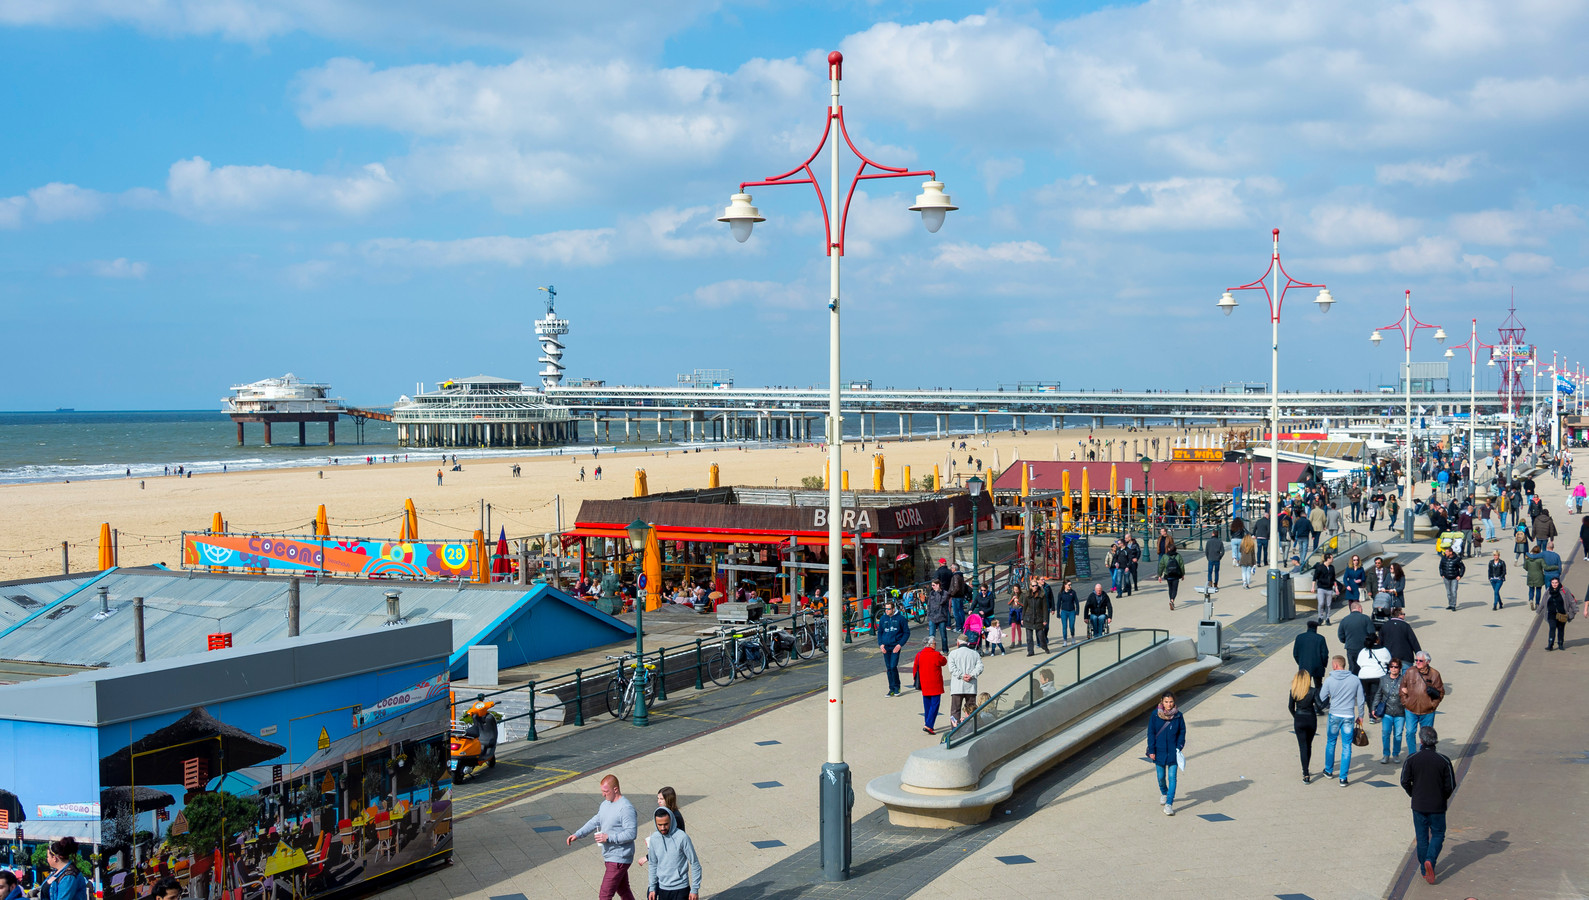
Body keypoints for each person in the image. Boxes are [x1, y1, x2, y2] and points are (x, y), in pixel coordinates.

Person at [568, 774, 640, 900]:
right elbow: (596, 821)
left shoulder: (626, 808)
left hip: (619, 857)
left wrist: (609, 838)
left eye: (606, 791)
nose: (603, 794)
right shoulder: (605, 804)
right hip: (609, 855)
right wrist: (577, 834)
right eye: (602, 791)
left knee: (605, 895)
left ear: (615, 789)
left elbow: (631, 833)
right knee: (623, 890)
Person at [1401, 726, 1457, 885]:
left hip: (1418, 805)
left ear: (1421, 740)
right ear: (1435, 742)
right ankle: (1430, 861)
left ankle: (1425, 870)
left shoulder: (1412, 759)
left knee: (1422, 836)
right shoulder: (1444, 760)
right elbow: (1451, 785)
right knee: (1438, 834)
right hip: (1437, 806)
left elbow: (1404, 781)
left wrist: (1413, 793)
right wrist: (1442, 797)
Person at [1318, 656, 1365, 786]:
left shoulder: (1329, 680)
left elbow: (1321, 697)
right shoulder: (1355, 680)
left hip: (1334, 714)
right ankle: (1343, 778)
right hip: (1348, 715)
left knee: (1331, 741)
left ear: (1335, 665)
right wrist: (1361, 715)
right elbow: (1361, 700)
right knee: (1347, 745)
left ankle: (1328, 770)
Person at [645, 806, 702, 900]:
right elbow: (653, 864)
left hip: (681, 888)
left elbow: (695, 863)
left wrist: (695, 889)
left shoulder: (682, 837)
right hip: (662, 888)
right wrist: (652, 887)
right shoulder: (654, 839)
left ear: (671, 820)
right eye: (659, 825)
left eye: (666, 824)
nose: (663, 828)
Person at [1146, 692, 1186, 815]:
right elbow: (1151, 733)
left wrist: (1179, 746)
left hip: (1173, 752)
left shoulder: (1178, 716)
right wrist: (1152, 750)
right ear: (1162, 702)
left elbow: (1182, 732)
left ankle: (1169, 804)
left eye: (1171, 702)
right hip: (1159, 751)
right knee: (1161, 777)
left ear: (1174, 702)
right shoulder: (1155, 715)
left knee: (1172, 777)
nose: (1169, 704)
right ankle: (1164, 792)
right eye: (1166, 702)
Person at [1287, 668, 1322, 783]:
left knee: (1302, 747)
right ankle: (1307, 767)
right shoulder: (1313, 691)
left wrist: (1296, 716)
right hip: (1311, 719)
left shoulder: (1294, 691)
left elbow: (1290, 707)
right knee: (1309, 745)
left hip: (1299, 719)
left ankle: (1305, 773)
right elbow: (1320, 705)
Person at [1399, 651, 1445, 737]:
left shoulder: (1435, 674)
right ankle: (1412, 751)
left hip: (1428, 711)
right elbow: (1402, 688)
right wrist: (1406, 702)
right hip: (1411, 709)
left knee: (1426, 735)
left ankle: (1424, 750)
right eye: (1416, 660)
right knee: (1410, 732)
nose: (1418, 662)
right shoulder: (1410, 671)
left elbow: (1441, 692)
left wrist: (1432, 704)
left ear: (1428, 662)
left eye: (1421, 661)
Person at [874, 598, 910, 696]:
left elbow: (906, 633)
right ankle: (891, 689)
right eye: (885, 609)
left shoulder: (901, 619)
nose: (886, 611)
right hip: (886, 646)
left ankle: (897, 687)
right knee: (889, 668)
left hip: (895, 646)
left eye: (889, 609)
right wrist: (880, 644)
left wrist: (899, 645)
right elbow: (880, 632)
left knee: (893, 666)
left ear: (893, 609)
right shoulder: (883, 618)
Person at [946, 636, 982, 726]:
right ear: (967, 643)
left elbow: (952, 669)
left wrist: (962, 676)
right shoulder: (975, 654)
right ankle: (971, 728)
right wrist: (971, 675)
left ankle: (955, 731)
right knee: (971, 710)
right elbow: (980, 667)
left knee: (955, 710)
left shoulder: (953, 654)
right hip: (971, 687)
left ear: (958, 643)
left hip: (957, 687)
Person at [912, 641, 948, 733]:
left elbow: (915, 667)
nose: (935, 645)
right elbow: (944, 662)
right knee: (935, 705)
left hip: (924, 683)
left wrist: (915, 679)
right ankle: (928, 725)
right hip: (935, 683)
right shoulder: (936, 654)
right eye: (934, 643)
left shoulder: (919, 654)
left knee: (927, 705)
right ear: (930, 644)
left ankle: (927, 722)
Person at [1356, 632, 1391, 720]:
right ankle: (1374, 713)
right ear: (1377, 640)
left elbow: (1359, 663)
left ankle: (1371, 712)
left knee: (1368, 695)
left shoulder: (1363, 651)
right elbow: (1389, 661)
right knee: (1376, 695)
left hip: (1364, 676)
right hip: (1378, 675)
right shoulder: (1383, 650)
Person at [1379, 657, 1408, 763]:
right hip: (1387, 711)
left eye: (1396, 667)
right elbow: (1378, 694)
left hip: (1400, 712)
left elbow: (1410, 695)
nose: (1394, 669)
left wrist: (1407, 692)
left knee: (1398, 734)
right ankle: (1386, 754)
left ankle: (1396, 754)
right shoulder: (1383, 679)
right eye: (1392, 666)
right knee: (1385, 733)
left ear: (1399, 668)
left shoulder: (1404, 679)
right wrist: (1373, 708)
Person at [1337, 601, 1375, 676]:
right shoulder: (1365, 618)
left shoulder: (1344, 620)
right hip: (1364, 648)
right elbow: (1371, 633)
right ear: (1359, 608)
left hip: (1351, 647)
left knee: (1352, 668)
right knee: (1364, 667)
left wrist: (1346, 641)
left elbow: (1340, 635)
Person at [1292, 619, 1329, 689]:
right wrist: (1323, 664)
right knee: (1318, 686)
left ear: (1307, 627)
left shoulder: (1299, 637)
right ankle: (1318, 699)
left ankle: (1306, 699)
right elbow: (1324, 654)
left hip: (1304, 666)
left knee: (1304, 686)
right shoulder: (1321, 638)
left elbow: (1295, 654)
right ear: (1316, 628)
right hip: (1318, 666)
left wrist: (1300, 662)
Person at [1545, 575, 1572, 651]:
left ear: (1559, 583)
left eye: (1556, 583)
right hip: (1551, 614)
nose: (1554, 584)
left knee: (1561, 629)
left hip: (1562, 614)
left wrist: (1573, 610)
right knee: (1552, 628)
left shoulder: (1564, 590)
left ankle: (1560, 644)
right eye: (1553, 583)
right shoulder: (1548, 591)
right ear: (1550, 583)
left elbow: (1571, 600)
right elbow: (1544, 601)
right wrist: (1539, 609)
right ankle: (1550, 644)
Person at [1024, 578, 1050, 655]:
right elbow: (1024, 607)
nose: (1035, 587)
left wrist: (1045, 619)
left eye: (1036, 585)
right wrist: (1022, 618)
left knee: (1041, 636)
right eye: (1033, 586)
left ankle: (1044, 647)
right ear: (1030, 587)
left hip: (1038, 618)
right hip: (1028, 618)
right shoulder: (1027, 595)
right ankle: (1030, 651)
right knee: (1029, 638)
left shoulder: (1042, 595)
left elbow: (1045, 608)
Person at [1312, 552, 1338, 625]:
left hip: (1329, 588)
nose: (1333, 559)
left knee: (1328, 604)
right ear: (1328, 559)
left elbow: (1333, 578)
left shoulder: (1332, 568)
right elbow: (1315, 578)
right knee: (1321, 603)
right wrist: (1313, 587)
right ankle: (1320, 616)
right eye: (1331, 558)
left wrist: (1336, 588)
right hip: (1321, 588)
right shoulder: (1320, 567)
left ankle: (1327, 618)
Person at [1158, 542, 1186, 610]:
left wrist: (1159, 575)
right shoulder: (1178, 556)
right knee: (1175, 589)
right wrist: (1182, 574)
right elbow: (1181, 565)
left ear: (1168, 549)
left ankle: (1171, 599)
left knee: (1170, 588)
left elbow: (1161, 565)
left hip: (1168, 575)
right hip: (1176, 575)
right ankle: (1172, 600)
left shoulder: (1165, 556)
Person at [925, 580, 950, 651]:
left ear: (938, 585)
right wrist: (928, 616)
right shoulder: (931, 593)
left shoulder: (944, 593)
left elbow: (940, 602)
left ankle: (945, 650)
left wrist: (937, 592)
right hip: (932, 617)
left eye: (933, 585)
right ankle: (931, 651)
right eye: (932, 585)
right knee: (931, 636)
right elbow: (929, 605)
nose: (932, 587)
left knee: (943, 636)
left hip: (941, 616)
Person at [1055, 580, 1080, 645]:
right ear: (1065, 585)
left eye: (1071, 585)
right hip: (1064, 612)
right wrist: (1058, 613)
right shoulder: (1061, 593)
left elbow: (1076, 602)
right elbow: (1058, 604)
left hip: (1072, 611)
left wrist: (1077, 611)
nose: (1070, 586)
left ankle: (1073, 636)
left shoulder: (1073, 592)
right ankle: (1065, 640)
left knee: (1071, 626)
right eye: (1069, 585)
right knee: (1064, 626)